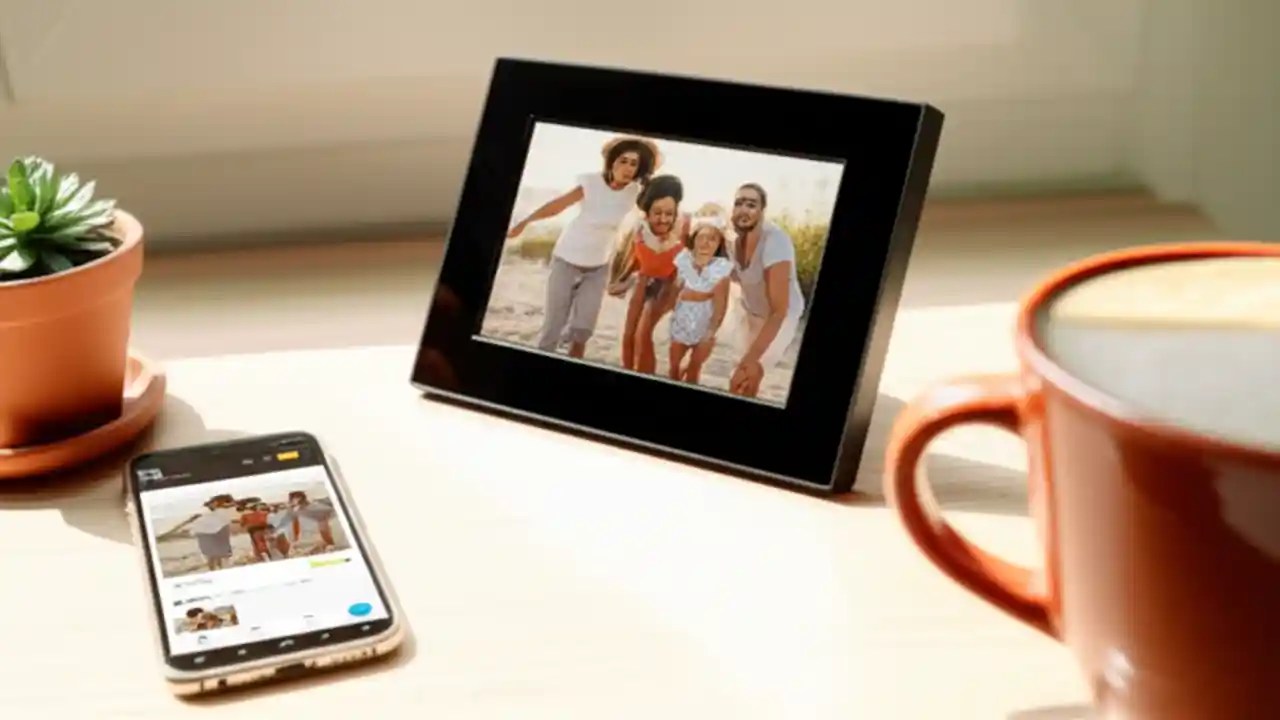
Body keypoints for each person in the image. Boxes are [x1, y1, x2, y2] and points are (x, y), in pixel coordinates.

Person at [506, 136, 661, 358]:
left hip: (598, 267)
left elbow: (649, 219)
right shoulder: (591, 182)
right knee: (553, 326)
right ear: (612, 161)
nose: (627, 168)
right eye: (623, 160)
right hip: (566, 259)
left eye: (634, 163)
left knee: (583, 330)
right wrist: (525, 222)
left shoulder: (636, 193)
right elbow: (557, 206)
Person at [725, 183, 805, 398]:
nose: (744, 209)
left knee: (749, 370)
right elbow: (737, 277)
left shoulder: (775, 241)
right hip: (750, 312)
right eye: (739, 203)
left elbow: (779, 310)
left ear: (762, 211)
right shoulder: (732, 241)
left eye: (751, 204)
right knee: (740, 375)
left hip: (780, 315)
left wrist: (751, 359)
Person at [608, 174, 688, 373]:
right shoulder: (638, 230)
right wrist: (620, 282)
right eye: (657, 213)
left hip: (670, 284)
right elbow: (629, 259)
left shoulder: (683, 228)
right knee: (628, 336)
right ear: (647, 212)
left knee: (642, 335)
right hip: (643, 281)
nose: (663, 219)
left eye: (669, 213)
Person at [668, 219, 733, 383]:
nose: (705, 242)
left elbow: (720, 306)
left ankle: (689, 372)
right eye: (701, 237)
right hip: (682, 321)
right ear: (694, 240)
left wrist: (710, 332)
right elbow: (675, 291)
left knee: (695, 367)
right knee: (673, 366)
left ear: (719, 245)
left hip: (705, 324)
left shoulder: (720, 270)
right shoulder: (684, 261)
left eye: (712, 239)